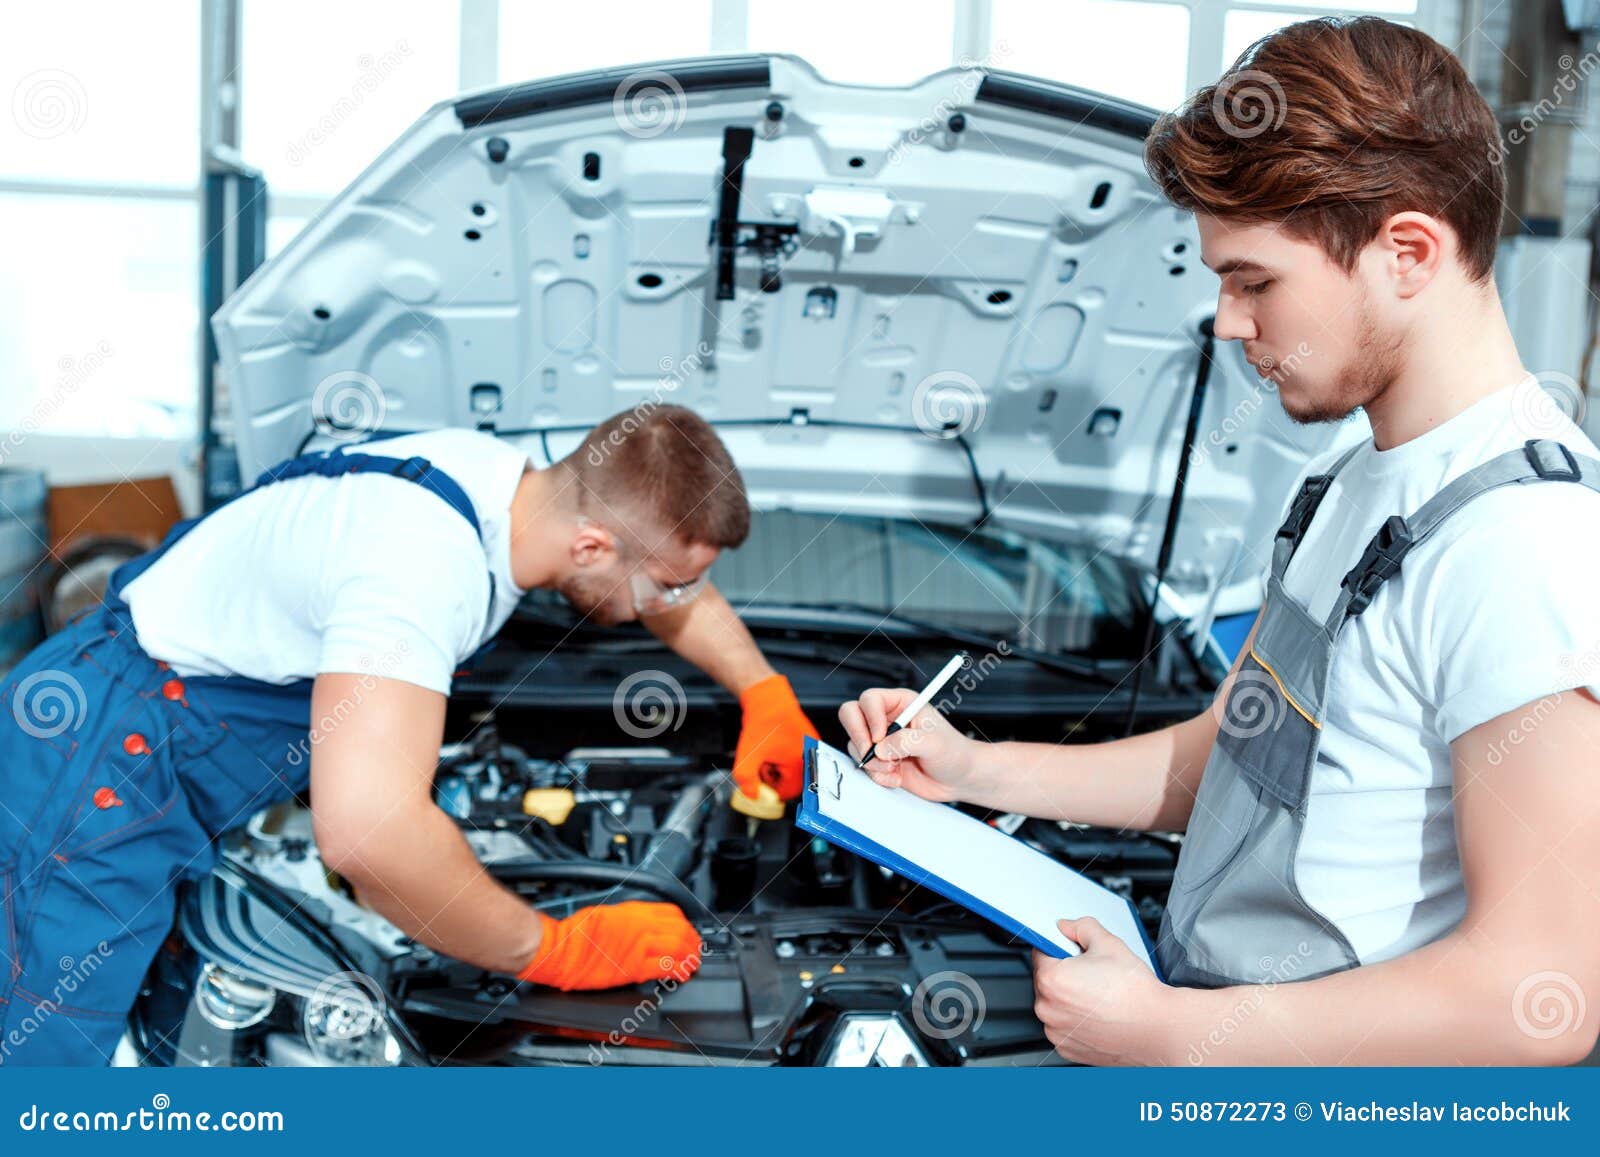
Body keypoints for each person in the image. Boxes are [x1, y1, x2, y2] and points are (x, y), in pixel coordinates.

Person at [840, 16, 1600, 1065]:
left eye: (1253, 279)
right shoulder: (1352, 480)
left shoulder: (1523, 543)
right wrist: (975, 770)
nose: (1226, 321)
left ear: (1409, 252)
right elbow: (1232, 756)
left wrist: (1170, 1032)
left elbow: (1535, 990)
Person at [0, 405, 817, 1065]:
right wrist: (556, 949)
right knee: (45, 1071)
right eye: (667, 585)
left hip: (148, 728)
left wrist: (763, 691)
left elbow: (669, 582)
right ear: (591, 546)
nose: (670, 603)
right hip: (101, 771)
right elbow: (368, 841)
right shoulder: (420, 570)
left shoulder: (502, 481)